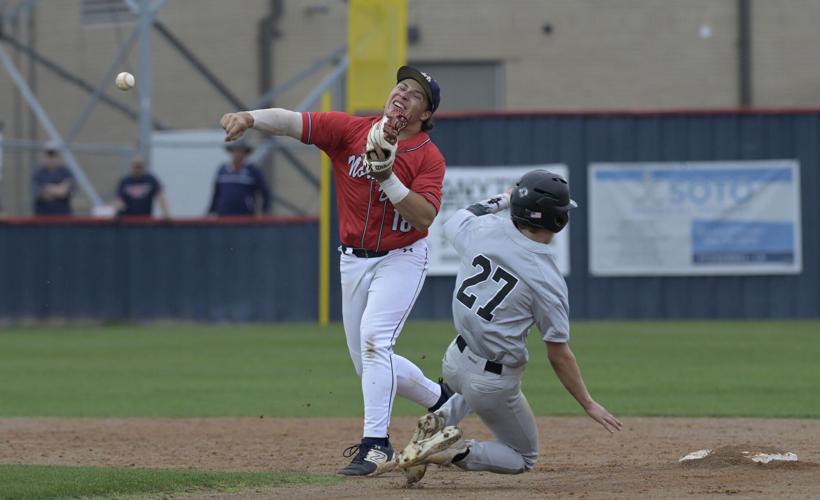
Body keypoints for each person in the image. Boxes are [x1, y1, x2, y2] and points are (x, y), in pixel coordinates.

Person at [220, 66, 452, 476]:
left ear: (425, 113)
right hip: (352, 260)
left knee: (375, 341)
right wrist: (250, 118)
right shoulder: (351, 131)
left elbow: (424, 217)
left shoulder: (428, 156)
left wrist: (387, 179)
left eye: (415, 93)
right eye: (401, 85)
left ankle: (376, 445)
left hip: (401, 257)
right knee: (370, 365)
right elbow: (292, 122)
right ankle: (442, 400)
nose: (403, 93)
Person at [392, 170, 623, 485]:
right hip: (492, 383)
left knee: (471, 387)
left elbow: (457, 217)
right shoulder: (547, 279)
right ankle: (455, 451)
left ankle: (441, 419)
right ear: (557, 220)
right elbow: (559, 354)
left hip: (455, 360)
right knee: (523, 457)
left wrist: (502, 199)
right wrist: (588, 402)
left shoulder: (483, 229)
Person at [208, 139, 271, 216]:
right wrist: (211, 211)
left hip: (245, 217)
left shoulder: (252, 171)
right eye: (235, 150)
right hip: (223, 216)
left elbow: (265, 191)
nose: (238, 154)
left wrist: (265, 210)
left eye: (241, 151)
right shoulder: (222, 170)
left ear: (245, 153)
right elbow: (216, 194)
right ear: (231, 152)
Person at [32, 143, 75, 215]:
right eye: (49, 156)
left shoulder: (66, 172)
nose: (51, 159)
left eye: (54, 156)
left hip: (63, 216)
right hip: (42, 216)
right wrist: (60, 189)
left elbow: (69, 192)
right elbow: (38, 193)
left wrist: (47, 188)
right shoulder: (38, 173)